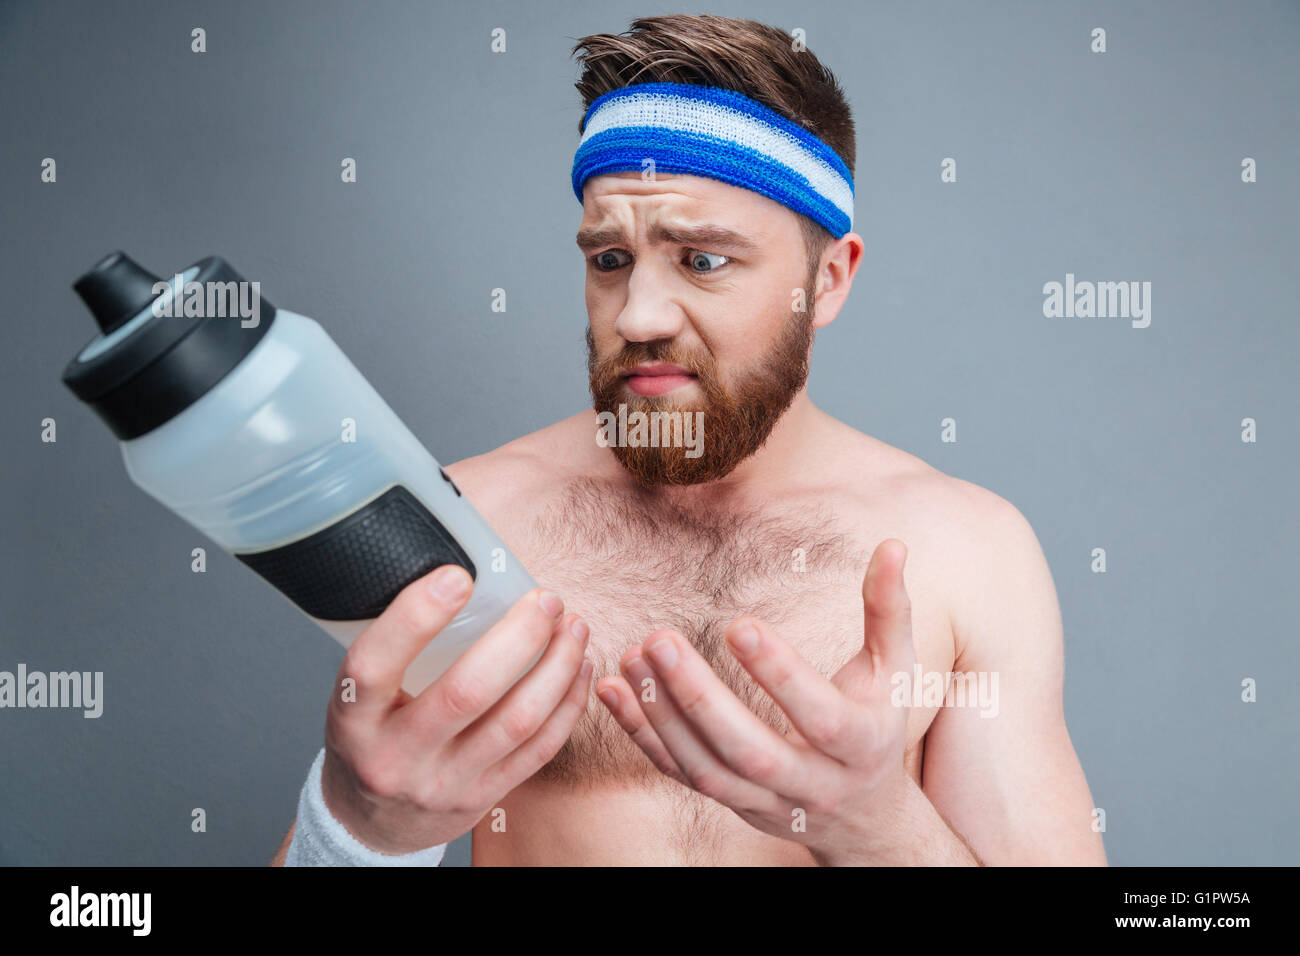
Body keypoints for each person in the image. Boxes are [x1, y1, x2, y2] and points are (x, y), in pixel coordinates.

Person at [273, 14, 1106, 866]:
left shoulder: (967, 552)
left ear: (827, 281)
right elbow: (356, 830)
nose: (637, 315)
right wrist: (361, 834)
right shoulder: (469, 521)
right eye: (608, 259)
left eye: (703, 260)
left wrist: (879, 827)